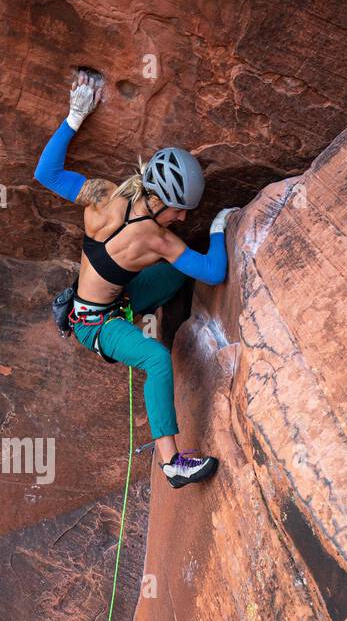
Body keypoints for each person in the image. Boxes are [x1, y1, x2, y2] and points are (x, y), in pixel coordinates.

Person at [35, 72, 237, 487]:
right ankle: (172, 464)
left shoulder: (105, 195)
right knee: (156, 359)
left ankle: (164, 329)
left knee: (173, 277)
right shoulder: (157, 237)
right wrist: (219, 227)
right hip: (96, 326)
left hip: (115, 300)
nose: (184, 218)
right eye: (180, 210)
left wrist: (75, 117)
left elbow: (48, 173)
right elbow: (215, 271)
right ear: (161, 200)